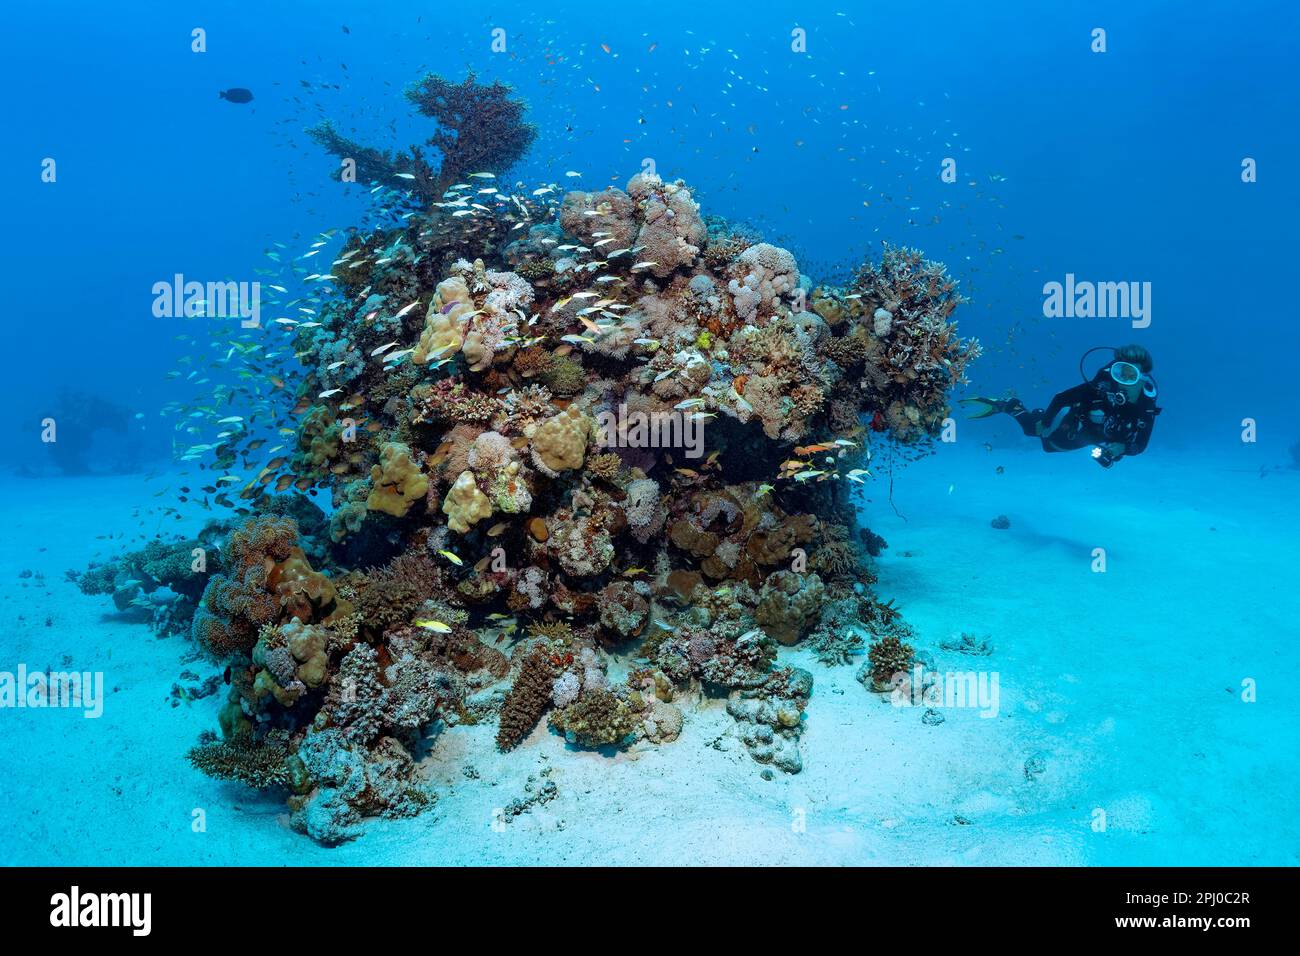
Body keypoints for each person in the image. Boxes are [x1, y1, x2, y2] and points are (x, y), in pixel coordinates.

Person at [961, 345, 1160, 468]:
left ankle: (1030, 414)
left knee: (1053, 447)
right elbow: (1062, 397)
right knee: (1038, 433)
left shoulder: (1146, 405)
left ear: (1142, 379)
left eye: (1131, 375)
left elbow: (1141, 445)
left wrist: (1122, 448)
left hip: (1100, 436)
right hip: (1078, 421)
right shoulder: (1102, 386)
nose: (1123, 381)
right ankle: (1009, 405)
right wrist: (1046, 422)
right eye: (1119, 372)